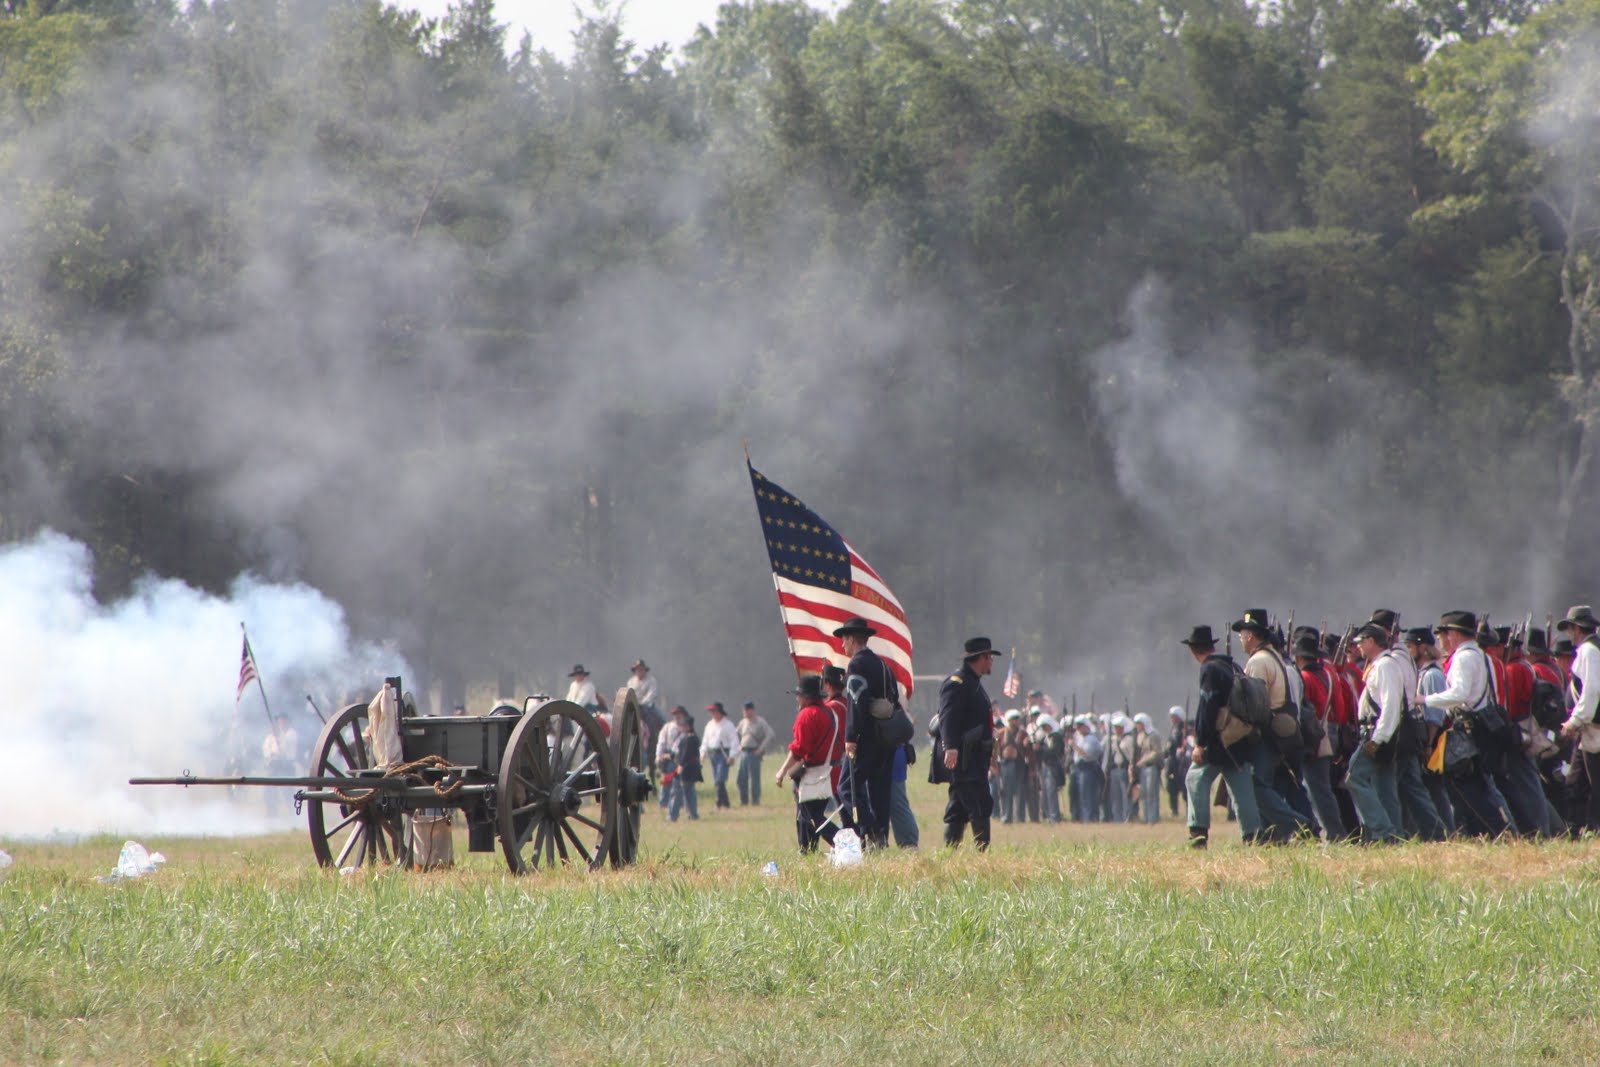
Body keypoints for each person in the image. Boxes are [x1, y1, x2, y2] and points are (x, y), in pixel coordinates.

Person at [1416, 612, 1509, 837]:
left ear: (1455, 634)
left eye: (1445, 633)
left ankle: (1495, 832)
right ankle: (1486, 832)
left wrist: (1425, 699)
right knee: (1478, 785)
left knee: (1464, 785)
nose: (1442, 639)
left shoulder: (1463, 657)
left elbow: (1459, 694)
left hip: (1469, 727)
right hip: (1482, 726)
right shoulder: (1481, 656)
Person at [1232, 609, 1310, 842]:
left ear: (1250, 635)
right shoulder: (1272, 657)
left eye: (1242, 634)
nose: (1240, 638)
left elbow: (1254, 705)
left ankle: (1297, 825)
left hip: (1265, 733)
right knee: (1266, 784)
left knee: (1256, 786)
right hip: (1276, 732)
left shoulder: (1258, 662)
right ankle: (1270, 836)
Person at [1181, 625, 1262, 847]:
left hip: (1219, 741)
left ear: (1194, 650)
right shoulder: (1231, 665)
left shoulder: (1209, 669)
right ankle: (1253, 836)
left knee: (1195, 779)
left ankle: (1198, 834)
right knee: (1241, 787)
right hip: (1240, 737)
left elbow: (1208, 707)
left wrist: (1200, 743)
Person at [834, 616, 901, 849]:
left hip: (866, 739)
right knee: (880, 791)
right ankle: (881, 840)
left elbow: (856, 701)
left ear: (853, 639)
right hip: (887, 739)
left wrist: (851, 737)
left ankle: (870, 830)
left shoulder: (857, 665)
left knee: (846, 787)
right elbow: (895, 700)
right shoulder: (883, 666)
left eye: (844, 640)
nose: (842, 644)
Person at [938, 636, 1001, 849]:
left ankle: (949, 853)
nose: (991, 662)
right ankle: (982, 852)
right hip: (966, 758)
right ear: (981, 658)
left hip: (975, 757)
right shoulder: (957, 683)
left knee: (958, 808)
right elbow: (948, 716)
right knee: (980, 803)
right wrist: (950, 747)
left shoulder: (973, 683)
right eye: (989, 657)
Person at [774, 675, 849, 851]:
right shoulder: (830, 712)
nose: (797, 699)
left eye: (799, 695)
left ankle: (844, 845)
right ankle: (808, 850)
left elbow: (798, 749)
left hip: (813, 774)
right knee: (808, 814)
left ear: (807, 697)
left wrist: (782, 771)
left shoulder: (806, 715)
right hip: (830, 771)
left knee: (811, 816)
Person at [1406, 626, 1456, 835]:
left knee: (1434, 788)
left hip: (1432, 738)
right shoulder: (1422, 674)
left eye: (1411, 646)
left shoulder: (1432, 676)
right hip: (1425, 737)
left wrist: (1428, 745)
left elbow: (1434, 716)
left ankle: (1446, 831)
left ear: (1423, 648)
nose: (1408, 650)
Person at [1557, 605, 1600, 833]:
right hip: (1589, 732)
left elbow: (1591, 691)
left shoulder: (1588, 651)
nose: (1569, 634)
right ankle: (1576, 832)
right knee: (1575, 784)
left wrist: (1574, 721)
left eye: (1570, 629)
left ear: (1576, 628)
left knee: (1595, 787)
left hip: (1594, 730)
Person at [665, 707, 702, 821]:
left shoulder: (690, 739)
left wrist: (680, 765)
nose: (681, 727)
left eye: (683, 726)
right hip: (687, 768)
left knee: (679, 792)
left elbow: (685, 754)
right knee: (688, 792)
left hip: (685, 769)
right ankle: (691, 814)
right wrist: (670, 756)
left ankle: (673, 815)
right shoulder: (690, 738)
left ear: (688, 726)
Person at [699, 702, 737, 809]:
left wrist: (732, 755)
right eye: (711, 712)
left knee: (720, 780)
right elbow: (705, 740)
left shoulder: (728, 725)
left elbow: (734, 741)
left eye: (714, 711)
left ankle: (718, 803)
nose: (712, 713)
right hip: (713, 755)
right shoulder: (709, 725)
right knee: (717, 780)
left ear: (720, 712)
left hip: (723, 754)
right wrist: (702, 753)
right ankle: (726, 803)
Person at [736, 700, 774, 806]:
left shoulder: (760, 721)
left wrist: (760, 749)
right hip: (743, 753)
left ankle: (755, 801)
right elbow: (735, 734)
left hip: (754, 752)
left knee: (754, 779)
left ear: (752, 710)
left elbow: (770, 734)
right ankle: (744, 801)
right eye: (744, 710)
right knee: (741, 778)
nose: (745, 712)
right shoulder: (742, 722)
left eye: (747, 710)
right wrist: (738, 745)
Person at [995, 709, 1030, 824]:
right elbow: (995, 750)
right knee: (1006, 791)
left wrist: (1026, 744)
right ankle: (1006, 816)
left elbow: (1028, 751)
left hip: (1019, 764)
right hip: (1005, 764)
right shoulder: (1001, 733)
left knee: (1020, 791)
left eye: (1017, 719)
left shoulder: (1023, 733)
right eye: (1014, 719)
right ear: (1009, 720)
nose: (1016, 721)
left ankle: (1020, 817)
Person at [1035, 714, 1066, 822]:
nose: (1043, 728)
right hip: (1045, 766)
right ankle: (1047, 815)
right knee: (1045, 792)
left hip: (1053, 766)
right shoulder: (1046, 737)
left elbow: (1053, 751)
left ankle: (1054, 816)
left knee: (1051, 791)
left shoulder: (1056, 737)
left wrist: (1040, 749)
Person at [1132, 713, 1162, 824]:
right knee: (1144, 793)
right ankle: (1146, 817)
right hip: (1142, 768)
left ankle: (1152, 818)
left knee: (1151, 793)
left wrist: (1143, 761)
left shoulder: (1153, 735)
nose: (1137, 726)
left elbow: (1156, 752)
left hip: (1151, 767)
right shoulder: (1140, 736)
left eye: (1139, 724)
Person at [655, 705, 686, 810]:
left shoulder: (687, 727)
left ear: (683, 715)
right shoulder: (667, 727)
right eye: (675, 714)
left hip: (682, 757)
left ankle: (680, 803)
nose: (677, 716)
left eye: (679, 714)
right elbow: (661, 742)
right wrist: (658, 756)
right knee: (667, 780)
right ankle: (663, 803)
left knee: (680, 781)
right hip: (669, 757)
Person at [1106, 714, 1134, 822]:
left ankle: (1126, 817)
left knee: (1125, 795)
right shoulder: (1113, 739)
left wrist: (1131, 769)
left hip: (1124, 769)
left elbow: (1131, 756)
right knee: (1115, 795)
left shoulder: (1128, 739)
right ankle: (1117, 818)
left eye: (1119, 727)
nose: (1117, 729)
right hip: (1114, 769)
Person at [1164, 706, 1190, 818]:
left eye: (1174, 717)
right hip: (1172, 764)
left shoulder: (1185, 730)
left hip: (1182, 764)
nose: (1172, 719)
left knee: (1185, 789)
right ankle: (1174, 811)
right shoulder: (1172, 730)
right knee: (1172, 789)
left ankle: (1189, 812)